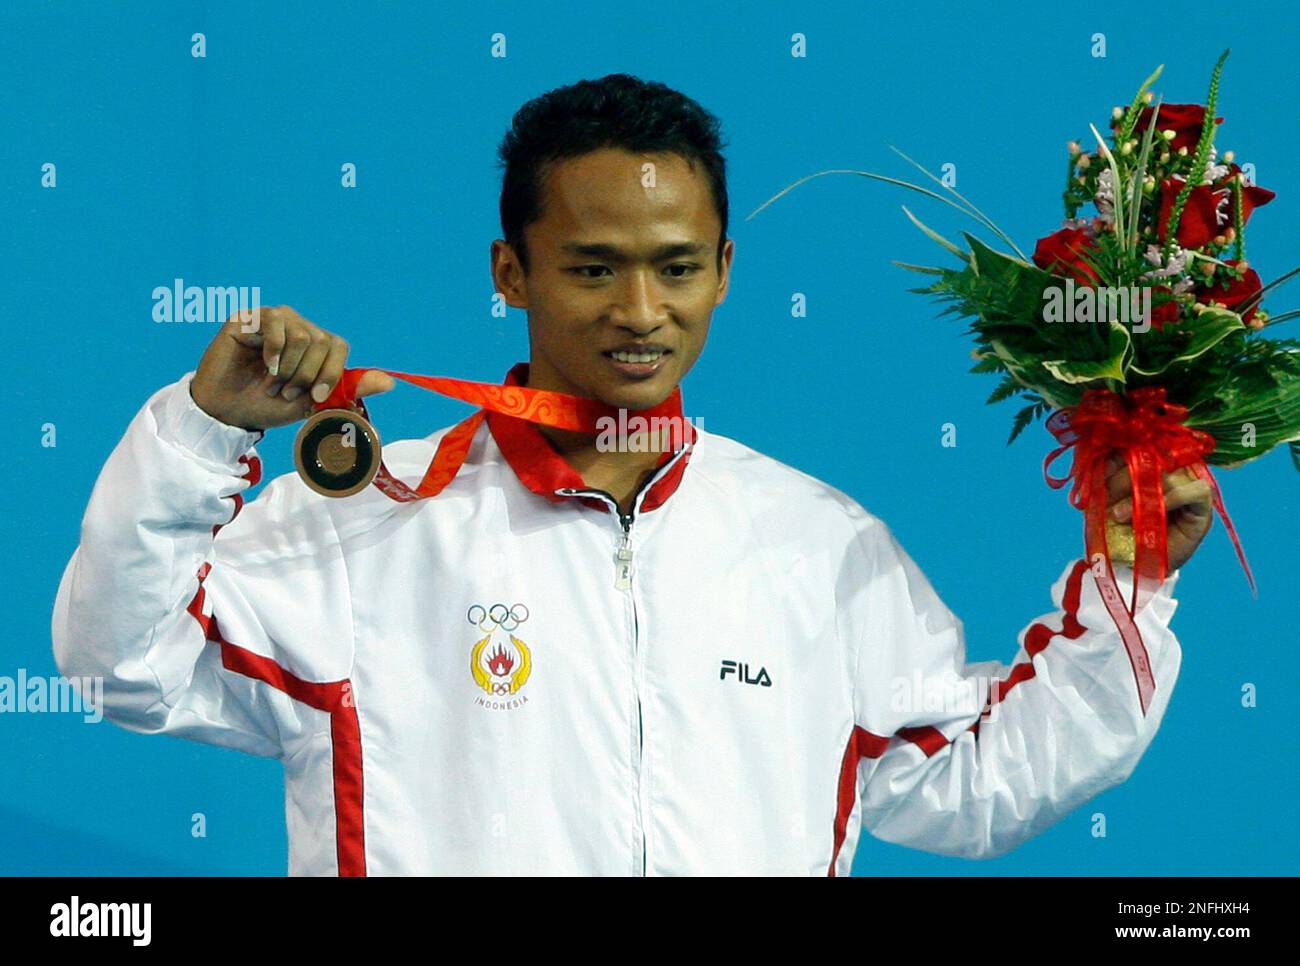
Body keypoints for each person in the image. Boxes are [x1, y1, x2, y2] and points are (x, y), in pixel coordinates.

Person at [51, 73, 1214, 876]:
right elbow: (126, 665)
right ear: (511, 271)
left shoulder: (818, 546)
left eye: (675, 268)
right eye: (593, 268)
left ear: (724, 270)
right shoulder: (369, 522)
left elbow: (975, 784)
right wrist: (206, 431)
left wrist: (1130, 579)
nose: (639, 313)